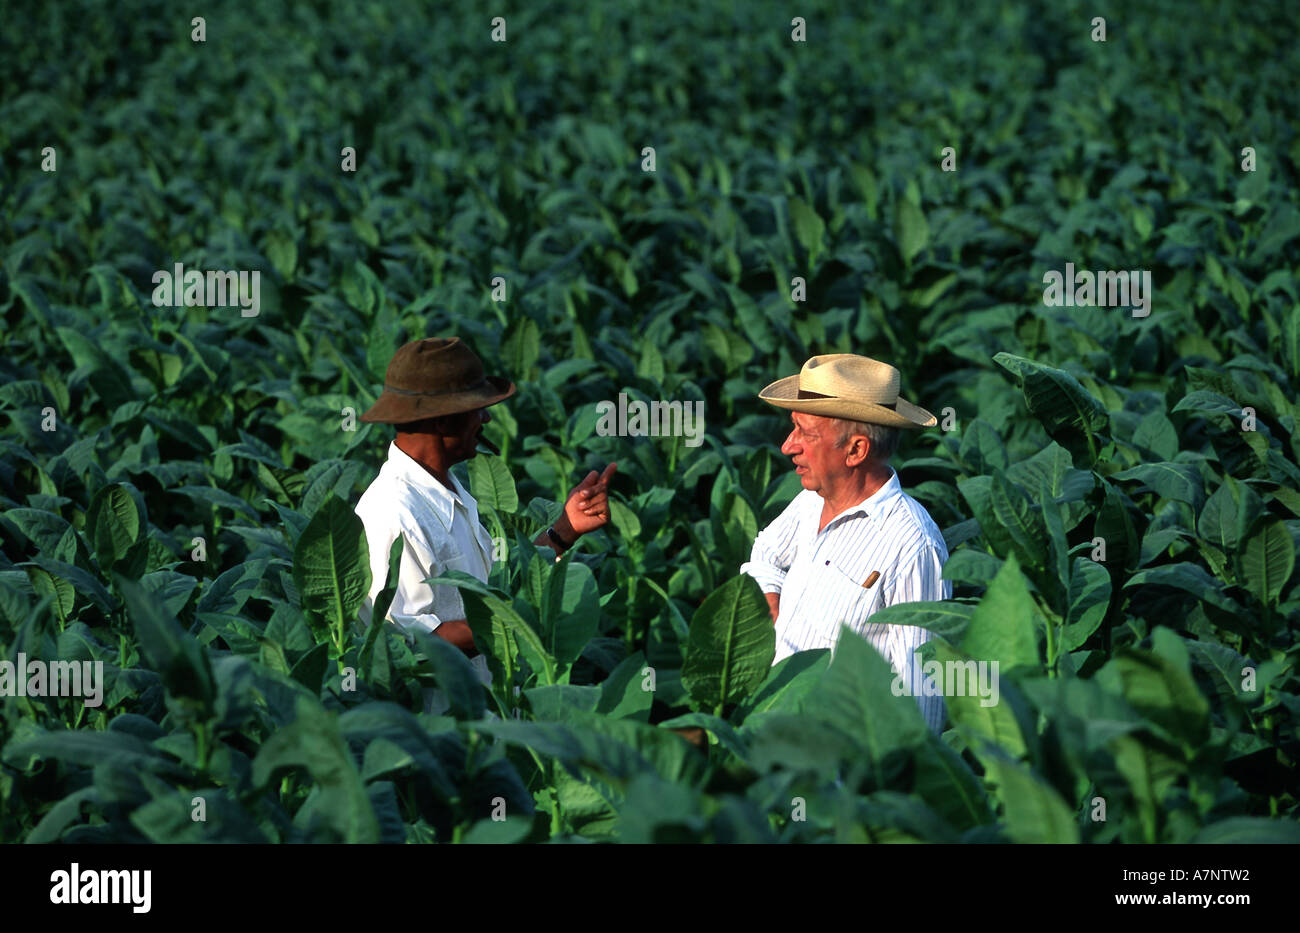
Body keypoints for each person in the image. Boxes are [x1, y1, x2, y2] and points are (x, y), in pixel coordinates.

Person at [353, 336, 616, 710]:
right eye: (477, 409)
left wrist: (564, 529)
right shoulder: (392, 513)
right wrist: (520, 620)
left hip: (483, 720)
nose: (487, 418)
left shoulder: (448, 490)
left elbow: (494, 591)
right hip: (440, 734)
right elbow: (416, 641)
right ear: (442, 417)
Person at [740, 353, 951, 733]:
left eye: (806, 433)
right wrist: (773, 613)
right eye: (793, 427)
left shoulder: (912, 546)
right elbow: (765, 556)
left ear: (855, 450)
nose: (788, 446)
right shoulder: (811, 500)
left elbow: (921, 699)